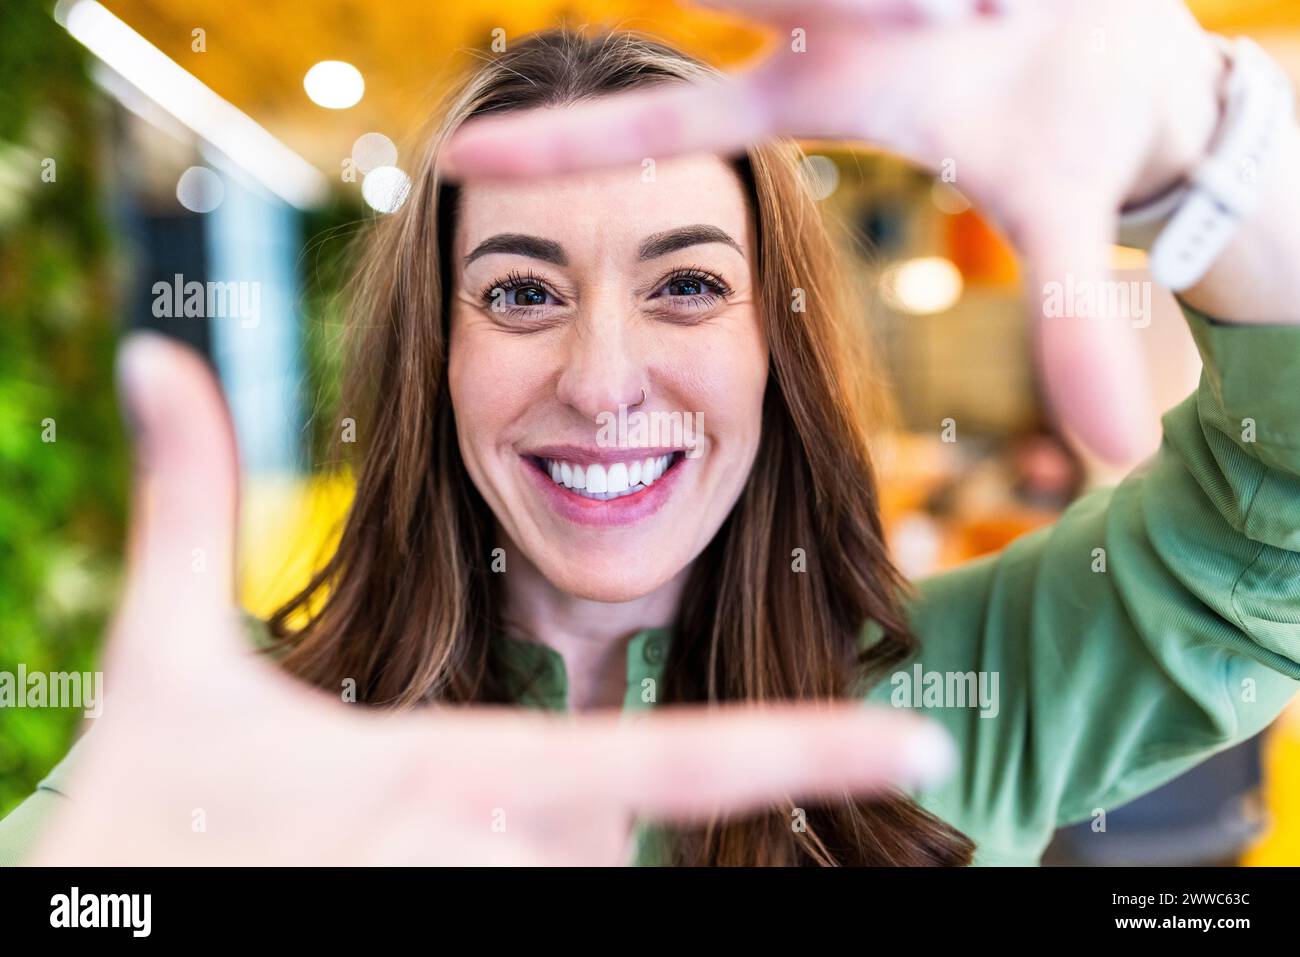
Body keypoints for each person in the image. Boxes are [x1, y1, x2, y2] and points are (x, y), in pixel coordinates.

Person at [3, 0, 1299, 866]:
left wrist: (1207, 134)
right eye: (520, 292)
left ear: (772, 346)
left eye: (686, 284)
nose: (604, 380)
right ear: (431, 360)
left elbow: (1272, 530)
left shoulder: (980, 680)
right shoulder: (257, 751)